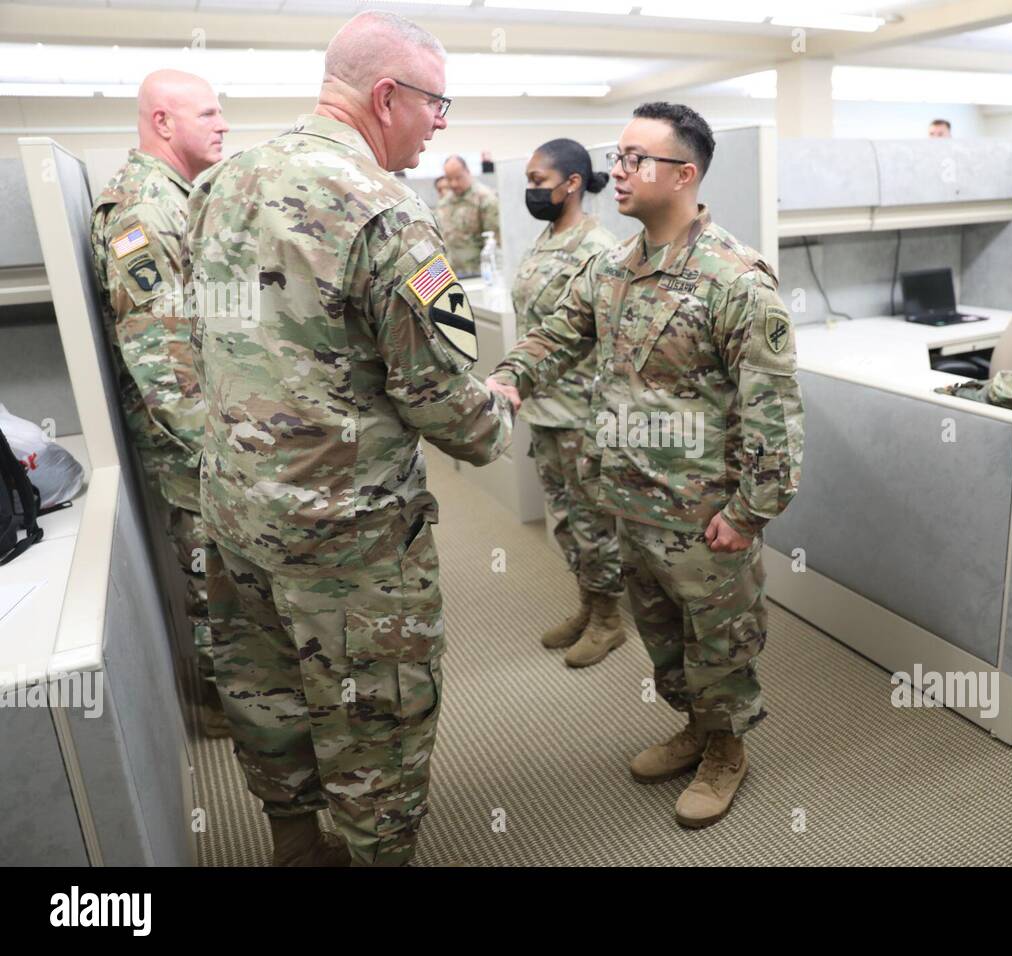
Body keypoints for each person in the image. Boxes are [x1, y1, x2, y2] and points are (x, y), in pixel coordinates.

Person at [187, 10, 514, 866]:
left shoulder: (220, 182)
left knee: (267, 696)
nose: (440, 126)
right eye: (437, 106)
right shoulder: (389, 216)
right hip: (351, 539)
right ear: (386, 96)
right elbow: (447, 405)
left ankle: (294, 846)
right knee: (377, 719)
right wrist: (504, 403)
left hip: (234, 512)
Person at [488, 103, 804, 829]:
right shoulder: (611, 269)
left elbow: (774, 413)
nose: (618, 172)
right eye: (619, 157)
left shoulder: (735, 279)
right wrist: (509, 379)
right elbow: (555, 337)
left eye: (636, 159)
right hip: (628, 499)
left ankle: (727, 749)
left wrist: (749, 512)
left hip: (705, 515)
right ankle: (694, 725)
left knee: (719, 641)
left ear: (684, 175)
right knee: (663, 639)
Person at [90, 69, 230, 738]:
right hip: (190, 446)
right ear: (164, 123)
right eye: (208, 113)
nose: (222, 124)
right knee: (213, 580)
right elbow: (160, 362)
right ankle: (223, 706)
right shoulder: (143, 211)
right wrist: (222, 453)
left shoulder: (178, 198)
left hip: (208, 435)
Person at [511, 138, 624, 666]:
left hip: (582, 412)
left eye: (539, 181)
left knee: (592, 522)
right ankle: (588, 602)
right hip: (544, 409)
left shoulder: (599, 247)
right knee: (563, 518)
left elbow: (610, 337)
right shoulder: (545, 239)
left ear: (572, 182)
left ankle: (608, 620)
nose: (532, 190)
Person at [437, 154, 500, 275]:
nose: (454, 184)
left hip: (478, 273)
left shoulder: (486, 199)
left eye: (458, 178)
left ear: (468, 172)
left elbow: (495, 244)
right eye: (449, 179)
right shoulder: (444, 202)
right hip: (452, 273)